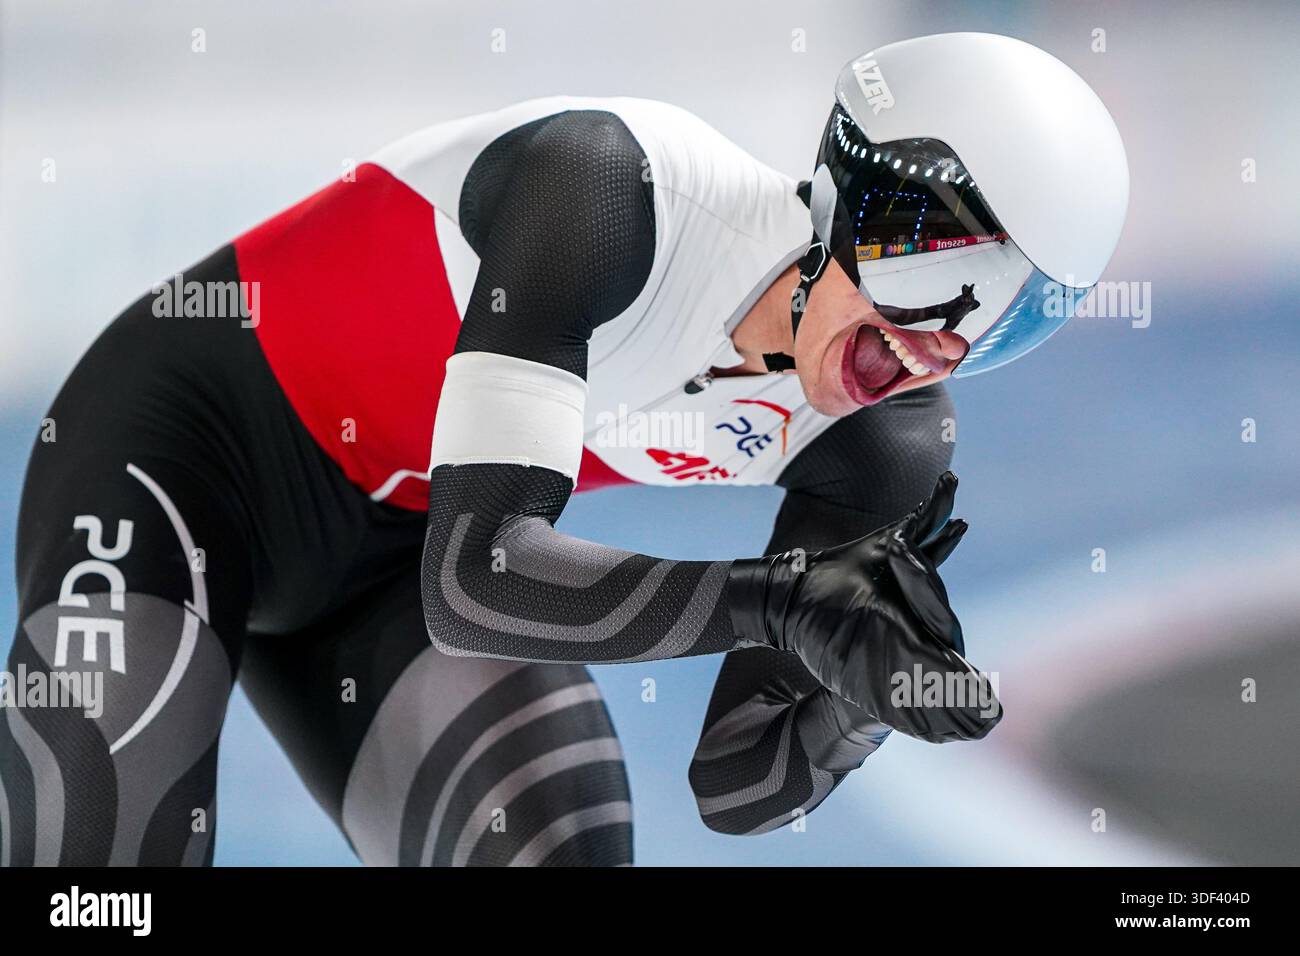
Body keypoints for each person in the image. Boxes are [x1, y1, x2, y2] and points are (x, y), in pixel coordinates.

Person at [0, 32, 1127, 866]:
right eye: (944, 282)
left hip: (390, 555)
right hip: (184, 456)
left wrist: (866, 687)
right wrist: (787, 602)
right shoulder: (606, 190)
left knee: (554, 843)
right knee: (102, 869)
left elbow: (738, 787)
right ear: (862, 197)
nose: (943, 348)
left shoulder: (887, 442)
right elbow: (476, 576)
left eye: (1008, 323)